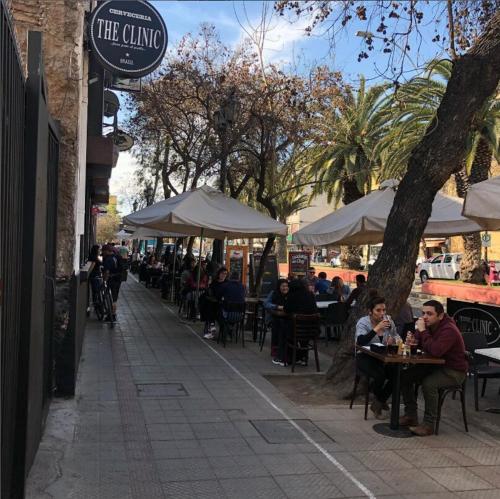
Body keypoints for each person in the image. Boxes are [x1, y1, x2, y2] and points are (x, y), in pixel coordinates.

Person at [399, 300, 467, 436]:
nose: (425, 317)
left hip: (454, 371)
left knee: (429, 383)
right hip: (435, 366)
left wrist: (423, 331)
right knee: (405, 376)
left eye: (429, 314)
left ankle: (429, 425)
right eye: (423, 313)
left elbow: (436, 350)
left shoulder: (449, 330)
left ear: (440, 316)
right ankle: (411, 415)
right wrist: (412, 341)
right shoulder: (429, 325)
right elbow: (419, 342)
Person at [355, 295, 400, 419]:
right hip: (365, 356)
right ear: (370, 311)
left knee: (397, 375)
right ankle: (379, 402)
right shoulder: (363, 322)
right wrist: (376, 328)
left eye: (384, 310)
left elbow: (396, 336)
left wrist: (394, 340)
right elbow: (361, 341)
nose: (382, 313)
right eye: (378, 310)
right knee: (380, 375)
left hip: (382, 357)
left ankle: (379, 401)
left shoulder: (389, 322)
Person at [274, 280, 318, 367]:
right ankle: (303, 358)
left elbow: (286, 310)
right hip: (312, 330)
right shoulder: (311, 295)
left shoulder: (292, 296)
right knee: (302, 335)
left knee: (283, 328)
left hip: (294, 330)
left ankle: (285, 358)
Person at [263, 279, 289, 361]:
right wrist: (276, 306)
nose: (285, 288)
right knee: (278, 323)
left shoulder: (290, 295)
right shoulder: (274, 293)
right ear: (279, 286)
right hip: (273, 317)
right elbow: (266, 303)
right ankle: (275, 348)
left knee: (285, 325)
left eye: (286, 286)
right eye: (283, 286)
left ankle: (284, 349)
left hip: (286, 317)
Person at [201, 267, 228, 340]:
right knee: (209, 305)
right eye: (222, 273)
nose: (224, 275)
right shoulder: (214, 282)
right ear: (219, 274)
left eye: (225, 274)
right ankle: (212, 327)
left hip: (223, 305)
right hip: (214, 302)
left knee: (210, 307)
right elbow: (210, 292)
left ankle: (212, 328)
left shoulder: (227, 283)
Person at [102, 244, 123, 321]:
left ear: (106, 251)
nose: (102, 253)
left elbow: (107, 272)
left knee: (110, 297)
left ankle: (111, 315)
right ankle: (113, 314)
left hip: (111, 280)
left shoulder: (108, 259)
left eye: (103, 251)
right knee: (114, 297)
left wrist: (104, 280)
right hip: (118, 279)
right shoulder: (117, 257)